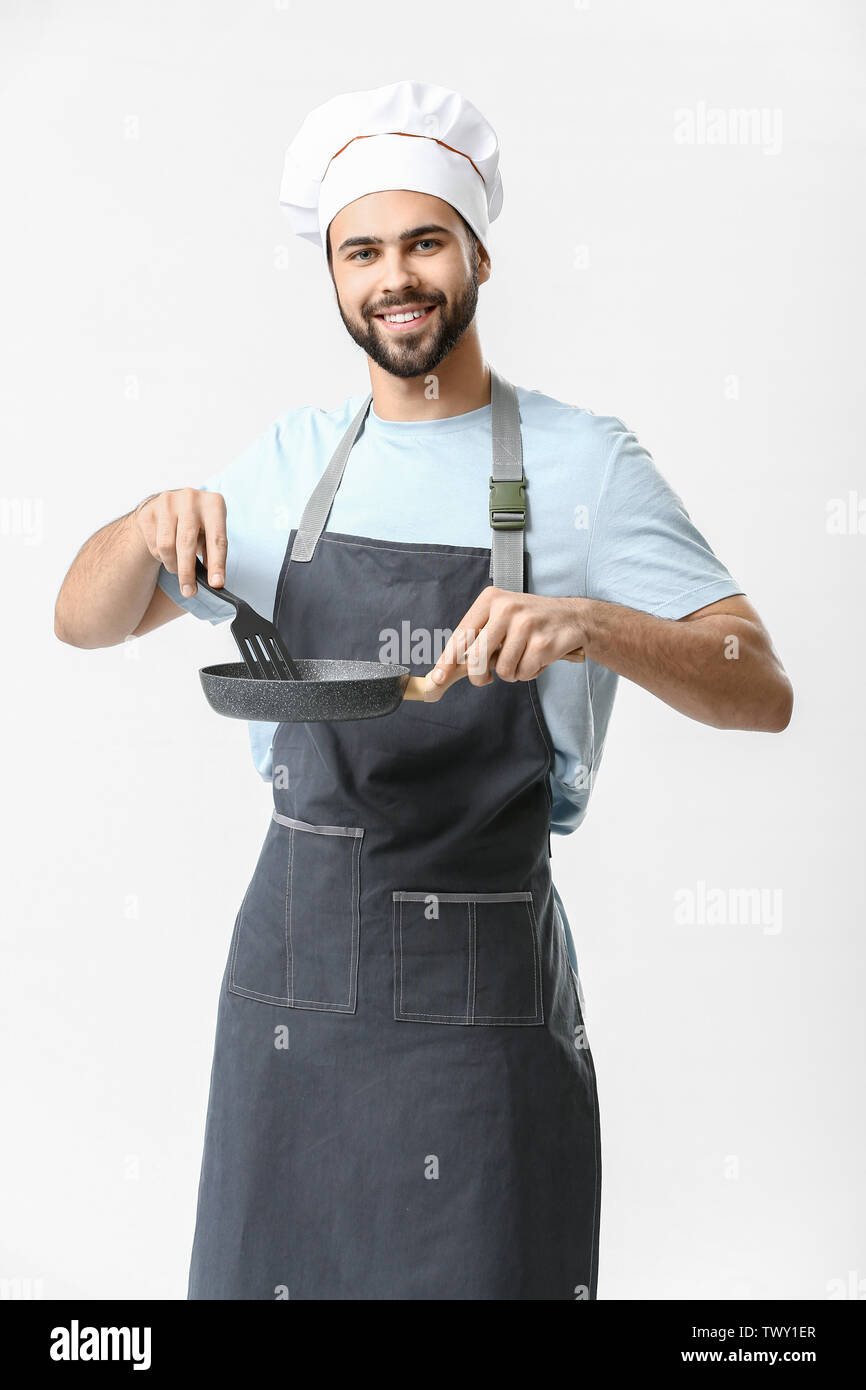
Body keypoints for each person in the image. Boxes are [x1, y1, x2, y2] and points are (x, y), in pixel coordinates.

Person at [54, 79, 793, 1301]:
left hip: (483, 1008)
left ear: (477, 255)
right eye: (362, 252)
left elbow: (757, 685)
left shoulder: (582, 463)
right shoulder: (293, 464)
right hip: (291, 989)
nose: (393, 276)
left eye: (421, 242)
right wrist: (142, 526)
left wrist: (590, 623)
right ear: (335, 277)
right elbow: (80, 622)